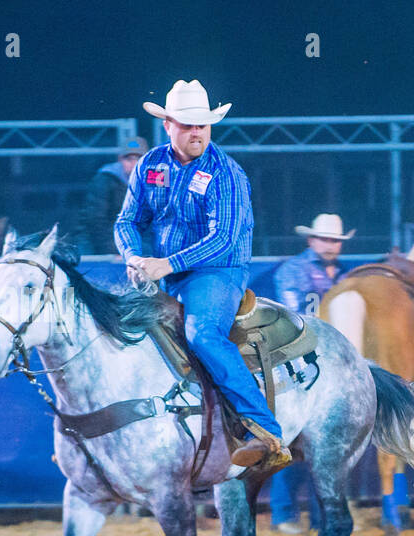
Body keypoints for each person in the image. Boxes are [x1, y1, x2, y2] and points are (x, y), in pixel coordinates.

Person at [116, 79, 289, 472]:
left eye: (203, 126)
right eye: (188, 125)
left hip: (217, 271)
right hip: (165, 271)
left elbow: (224, 239)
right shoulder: (150, 165)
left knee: (203, 334)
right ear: (168, 125)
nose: (196, 133)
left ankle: (264, 430)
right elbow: (127, 220)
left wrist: (165, 265)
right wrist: (132, 256)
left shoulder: (226, 174)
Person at [269, 213, 354, 532]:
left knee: (329, 441)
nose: (331, 245)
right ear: (311, 240)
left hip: (335, 365)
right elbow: (297, 319)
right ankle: (284, 512)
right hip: (298, 363)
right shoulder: (293, 271)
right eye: (326, 239)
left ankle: (322, 515)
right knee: (293, 437)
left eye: (336, 241)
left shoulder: (347, 275)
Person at [81, 136, 149, 255]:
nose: (134, 164)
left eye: (138, 159)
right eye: (128, 159)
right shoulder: (105, 180)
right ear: (120, 160)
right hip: (96, 241)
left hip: (132, 241)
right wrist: (117, 251)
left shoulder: (155, 183)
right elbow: (95, 221)